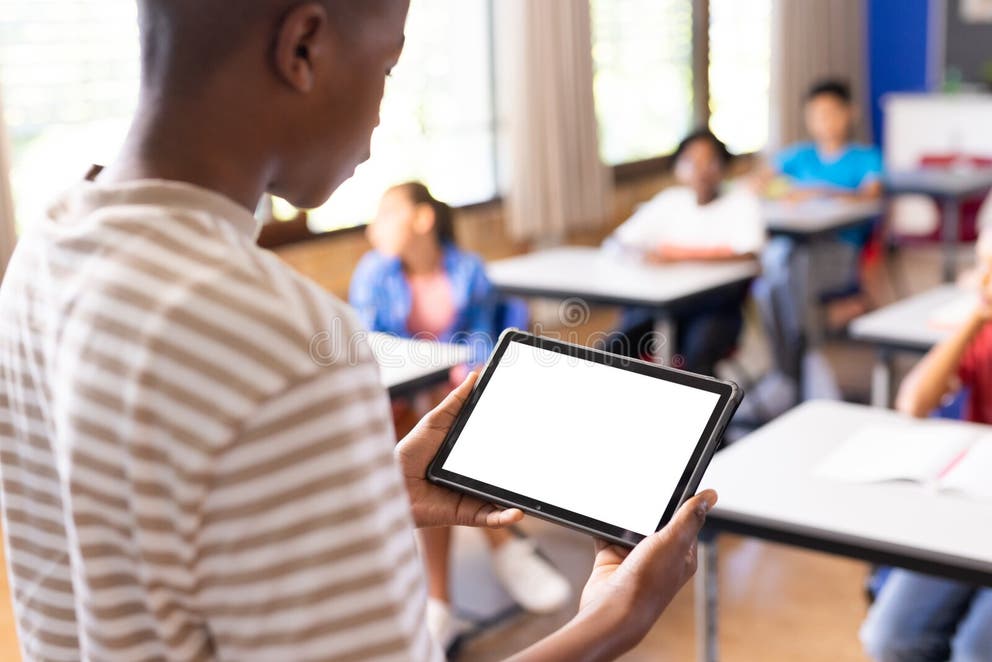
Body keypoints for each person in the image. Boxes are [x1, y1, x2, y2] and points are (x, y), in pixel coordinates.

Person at [0, 1, 718, 661]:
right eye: (387, 67)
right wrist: (614, 619)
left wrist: (372, 495)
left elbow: (151, 553)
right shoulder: (283, 344)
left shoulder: (46, 252)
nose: (380, 114)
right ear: (303, 46)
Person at [351, 182, 571, 649]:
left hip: (457, 398)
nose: (375, 228)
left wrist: (451, 381)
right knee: (430, 433)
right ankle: (504, 545)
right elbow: (373, 349)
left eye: (387, 214)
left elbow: (483, 345)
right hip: (398, 409)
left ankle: (440, 603)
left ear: (423, 219)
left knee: (436, 436)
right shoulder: (373, 273)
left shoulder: (468, 271)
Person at [859, 235, 992, 661]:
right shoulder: (984, 329)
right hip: (971, 506)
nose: (984, 281)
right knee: (888, 637)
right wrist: (975, 317)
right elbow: (914, 402)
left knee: (974, 650)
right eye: (982, 266)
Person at [604, 128, 764, 375]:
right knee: (611, 349)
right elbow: (618, 242)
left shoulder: (741, 203)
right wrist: (644, 257)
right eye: (691, 161)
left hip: (716, 306)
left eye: (710, 161)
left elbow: (749, 254)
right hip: (659, 301)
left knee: (695, 364)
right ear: (678, 168)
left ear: (724, 166)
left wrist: (675, 256)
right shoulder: (669, 202)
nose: (701, 170)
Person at [754, 79, 884, 380]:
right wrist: (776, 191)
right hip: (794, 247)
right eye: (816, 114)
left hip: (840, 251)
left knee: (788, 277)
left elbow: (871, 195)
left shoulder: (865, 157)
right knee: (768, 286)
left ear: (850, 113)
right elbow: (759, 180)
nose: (824, 121)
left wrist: (818, 191)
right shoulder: (799, 155)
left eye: (831, 112)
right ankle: (790, 368)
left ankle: (802, 364)